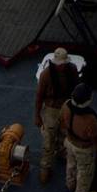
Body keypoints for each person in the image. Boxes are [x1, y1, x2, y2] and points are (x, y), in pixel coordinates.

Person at [34, 47, 80, 184]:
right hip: (51, 110)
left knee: (65, 135)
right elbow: (39, 96)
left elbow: (76, 90)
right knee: (48, 140)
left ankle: (61, 152)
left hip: (67, 107)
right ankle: (45, 168)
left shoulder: (72, 70)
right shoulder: (46, 74)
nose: (62, 66)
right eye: (60, 64)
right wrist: (37, 115)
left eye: (64, 63)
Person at [60, 83, 97, 192]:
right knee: (84, 173)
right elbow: (96, 137)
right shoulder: (90, 119)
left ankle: (70, 185)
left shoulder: (66, 105)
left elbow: (62, 122)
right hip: (83, 149)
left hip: (69, 142)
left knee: (71, 165)